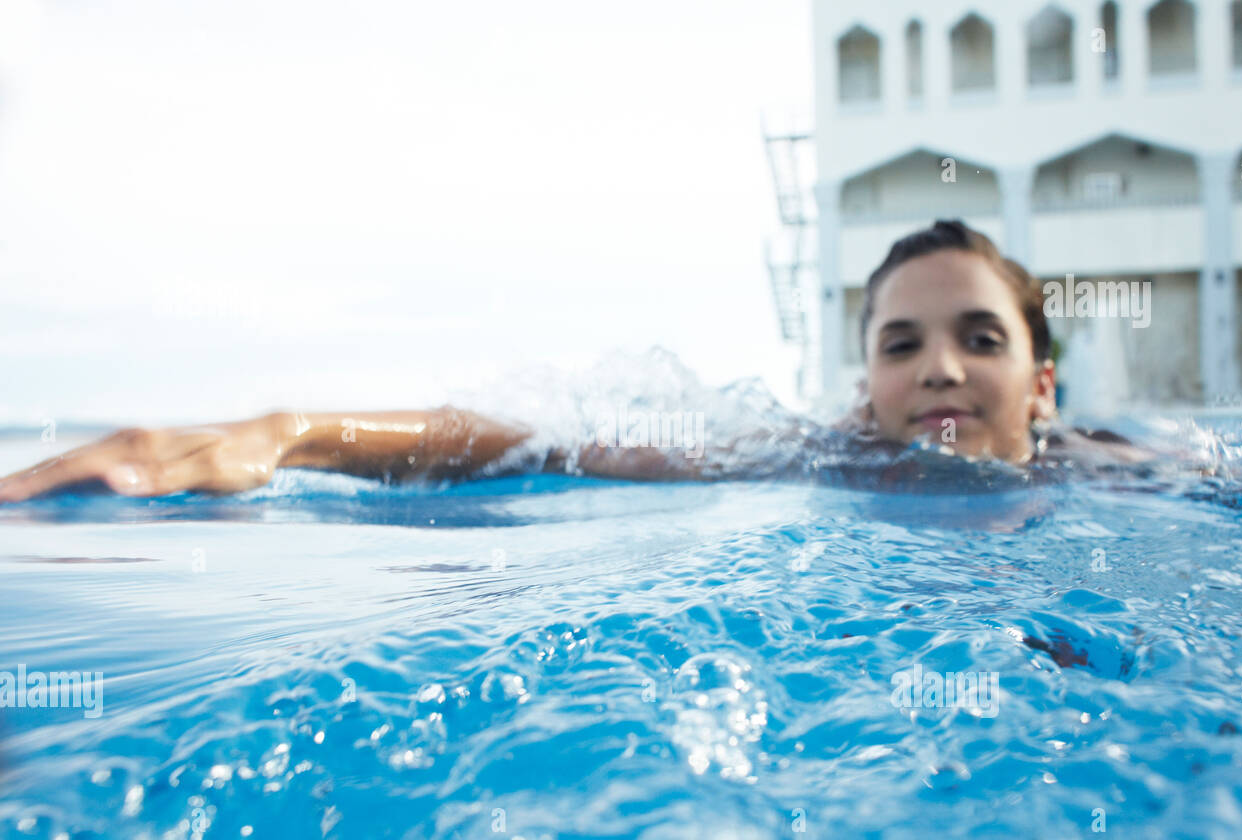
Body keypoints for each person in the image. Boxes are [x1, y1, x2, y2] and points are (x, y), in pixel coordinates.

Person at [0, 220, 1152, 503]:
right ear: (864, 387)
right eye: (902, 345)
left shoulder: (1119, 473)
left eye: (980, 338)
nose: (940, 367)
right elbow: (547, 439)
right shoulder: (819, 458)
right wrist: (291, 430)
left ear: (1042, 382)